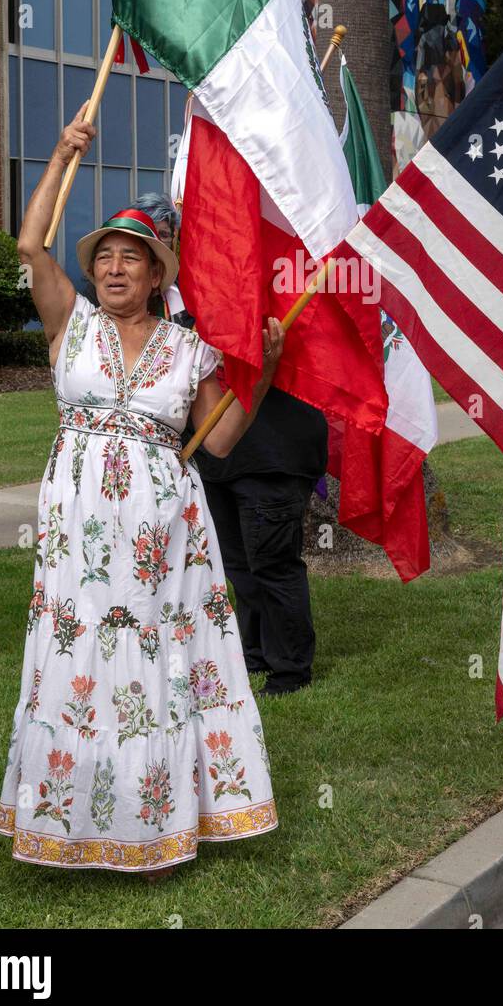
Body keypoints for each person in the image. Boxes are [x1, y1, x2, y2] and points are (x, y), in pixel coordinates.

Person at [0, 106, 282, 874]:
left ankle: (155, 812)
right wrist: (61, 154)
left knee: (155, 649)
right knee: (79, 637)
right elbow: (29, 244)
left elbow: (218, 440)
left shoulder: (189, 351)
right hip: (79, 520)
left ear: (158, 274)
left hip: (163, 526)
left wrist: (266, 370)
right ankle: (67, 811)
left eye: (133, 258)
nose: (116, 268)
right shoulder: (72, 324)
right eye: (107, 257)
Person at [132, 195, 325, 698]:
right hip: (217, 456)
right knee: (237, 563)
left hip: (272, 449)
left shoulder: (248, 280)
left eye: (159, 237)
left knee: (272, 560)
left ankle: (290, 668)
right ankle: (255, 652)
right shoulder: (165, 305)